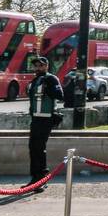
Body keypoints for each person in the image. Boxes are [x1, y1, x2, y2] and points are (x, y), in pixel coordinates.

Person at [26, 56, 64, 190]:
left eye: (41, 65)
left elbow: (60, 95)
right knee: (33, 147)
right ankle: (36, 177)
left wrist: (48, 88)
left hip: (46, 119)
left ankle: (41, 179)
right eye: (36, 66)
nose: (38, 68)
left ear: (46, 66)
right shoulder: (35, 81)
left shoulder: (51, 78)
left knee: (39, 148)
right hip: (36, 119)